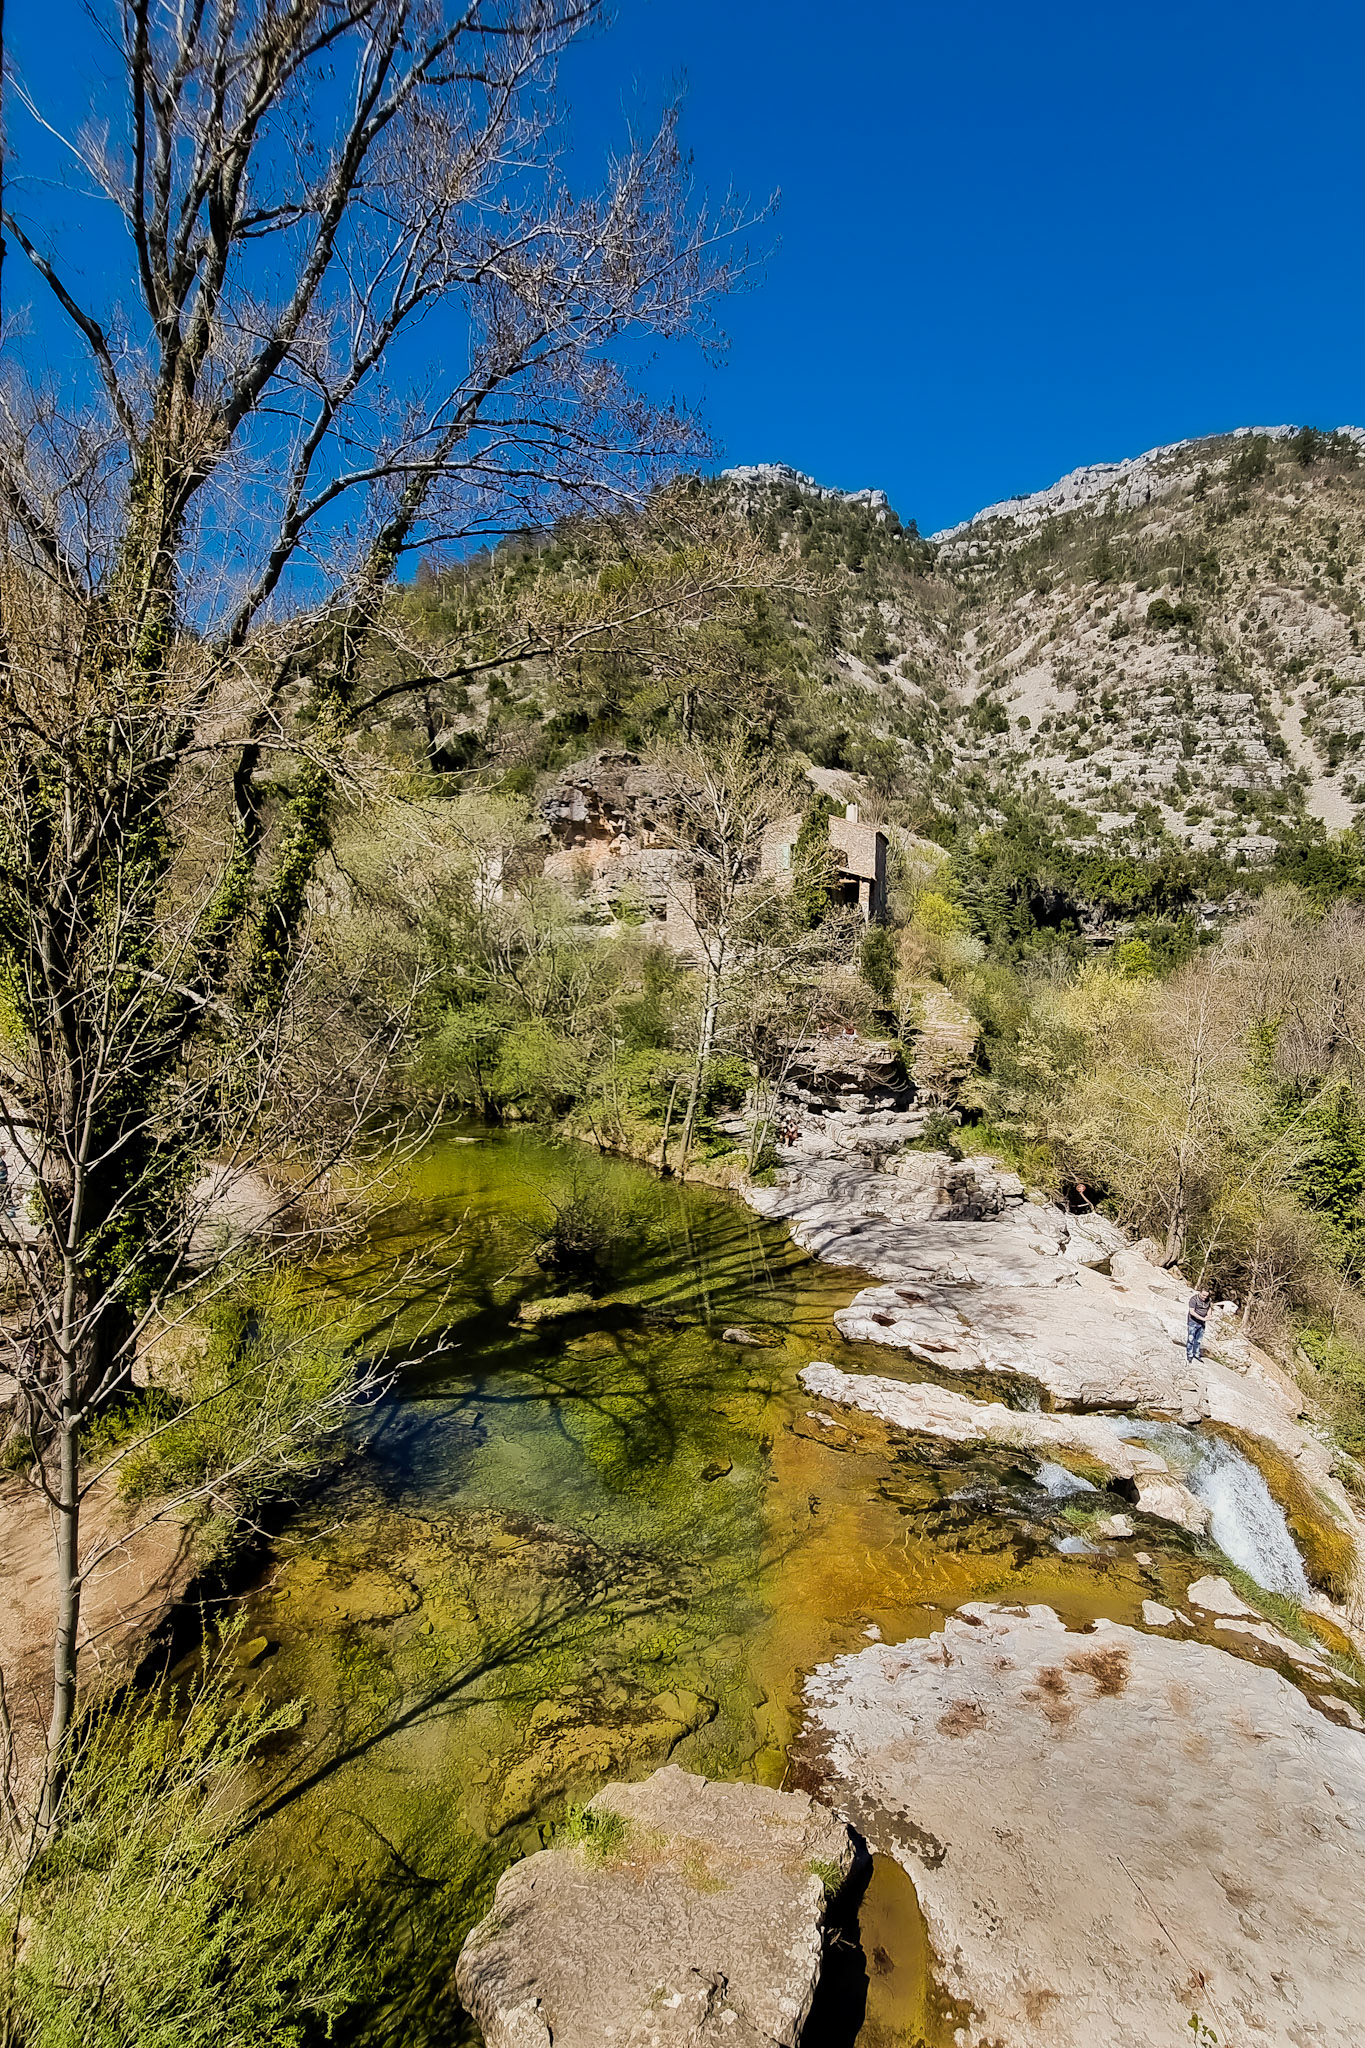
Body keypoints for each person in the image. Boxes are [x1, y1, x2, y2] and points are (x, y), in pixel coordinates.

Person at [1186, 1283, 1213, 1362]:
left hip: (1202, 1323)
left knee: (1198, 1340)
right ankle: (1189, 1355)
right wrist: (1202, 1318)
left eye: (1206, 1296)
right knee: (1191, 1339)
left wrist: (1209, 1315)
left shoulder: (1208, 1300)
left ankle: (1196, 1354)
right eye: (1203, 1295)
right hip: (1193, 1321)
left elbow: (1209, 1308)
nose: (1204, 1297)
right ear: (1200, 1292)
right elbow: (1192, 1312)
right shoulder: (1193, 1299)